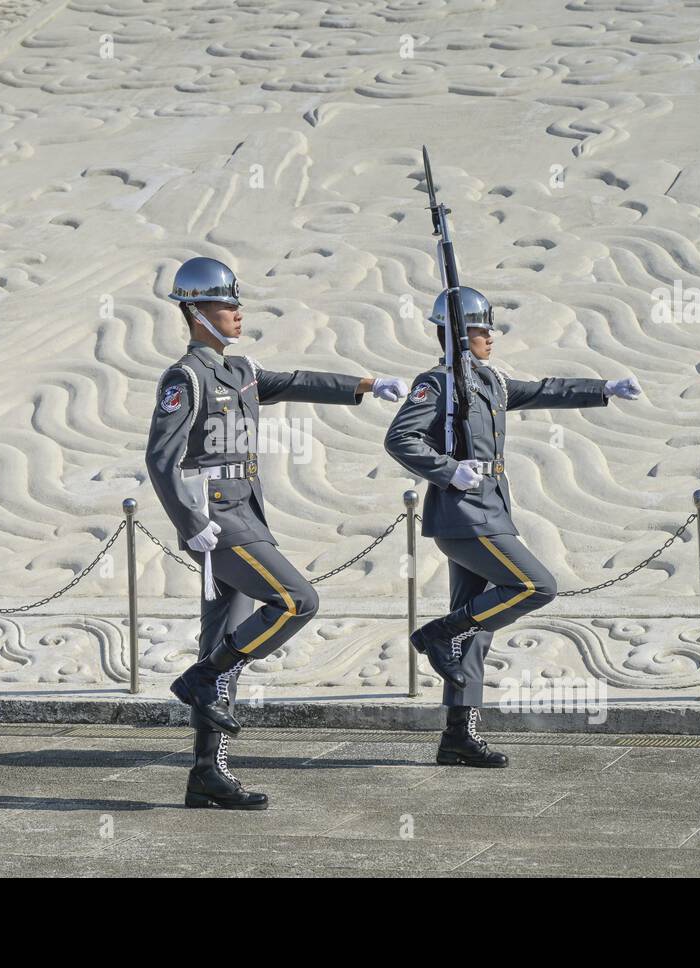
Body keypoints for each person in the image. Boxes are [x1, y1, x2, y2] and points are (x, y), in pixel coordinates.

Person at [146, 256, 408, 809]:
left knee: (224, 639)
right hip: (218, 523)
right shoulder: (185, 377)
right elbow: (161, 459)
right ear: (195, 313)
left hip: (246, 512)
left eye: (237, 304)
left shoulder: (240, 371)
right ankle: (203, 677)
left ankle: (206, 773)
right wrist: (190, 524)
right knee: (297, 600)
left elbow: (295, 381)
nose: (238, 313)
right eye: (226, 305)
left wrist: (366, 383)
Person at [384, 286, 641, 767]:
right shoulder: (437, 383)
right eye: (482, 329)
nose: (490, 337)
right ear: (460, 335)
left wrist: (602, 389)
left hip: (490, 510)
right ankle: (438, 634)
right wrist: (447, 468)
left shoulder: (490, 382)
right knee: (535, 585)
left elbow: (544, 390)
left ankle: (458, 735)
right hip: (464, 515)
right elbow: (400, 438)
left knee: (476, 624)